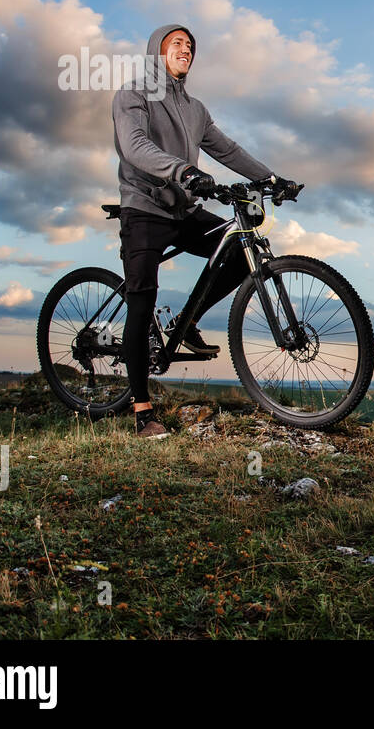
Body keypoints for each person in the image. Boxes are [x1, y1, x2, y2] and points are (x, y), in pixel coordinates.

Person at [112, 24, 297, 437]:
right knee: (141, 301)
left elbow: (226, 149)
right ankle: (142, 410)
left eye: (190, 45)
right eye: (176, 43)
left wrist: (271, 179)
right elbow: (134, 146)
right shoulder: (133, 93)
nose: (186, 49)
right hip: (143, 207)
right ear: (156, 51)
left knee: (236, 253)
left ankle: (185, 322)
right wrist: (185, 171)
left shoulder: (195, 109)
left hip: (182, 210)